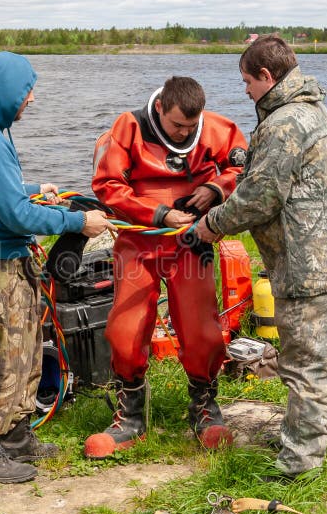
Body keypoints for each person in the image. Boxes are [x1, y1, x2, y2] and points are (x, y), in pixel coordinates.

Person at [0, 51, 114, 484]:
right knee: (6, 354)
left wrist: (36, 189)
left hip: (1, 255)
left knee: (29, 344)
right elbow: (17, 216)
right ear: (5, 91)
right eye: (26, 91)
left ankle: (15, 434)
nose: (31, 99)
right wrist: (79, 221)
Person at [194, 36, 327, 481]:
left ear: (267, 78)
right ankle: (321, 445)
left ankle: (298, 469)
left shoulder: (285, 123)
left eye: (247, 81)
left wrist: (210, 225)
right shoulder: (310, 109)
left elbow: (259, 198)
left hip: (310, 272)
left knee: (306, 369)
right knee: (326, 364)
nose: (245, 89)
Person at [84, 76, 247, 458]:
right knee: (125, 327)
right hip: (139, 240)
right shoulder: (129, 127)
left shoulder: (220, 129)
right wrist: (158, 213)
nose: (184, 132)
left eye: (191, 127)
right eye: (177, 126)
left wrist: (217, 189)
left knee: (202, 328)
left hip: (190, 241)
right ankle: (131, 416)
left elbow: (244, 169)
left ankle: (204, 407)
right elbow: (107, 184)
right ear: (160, 109)